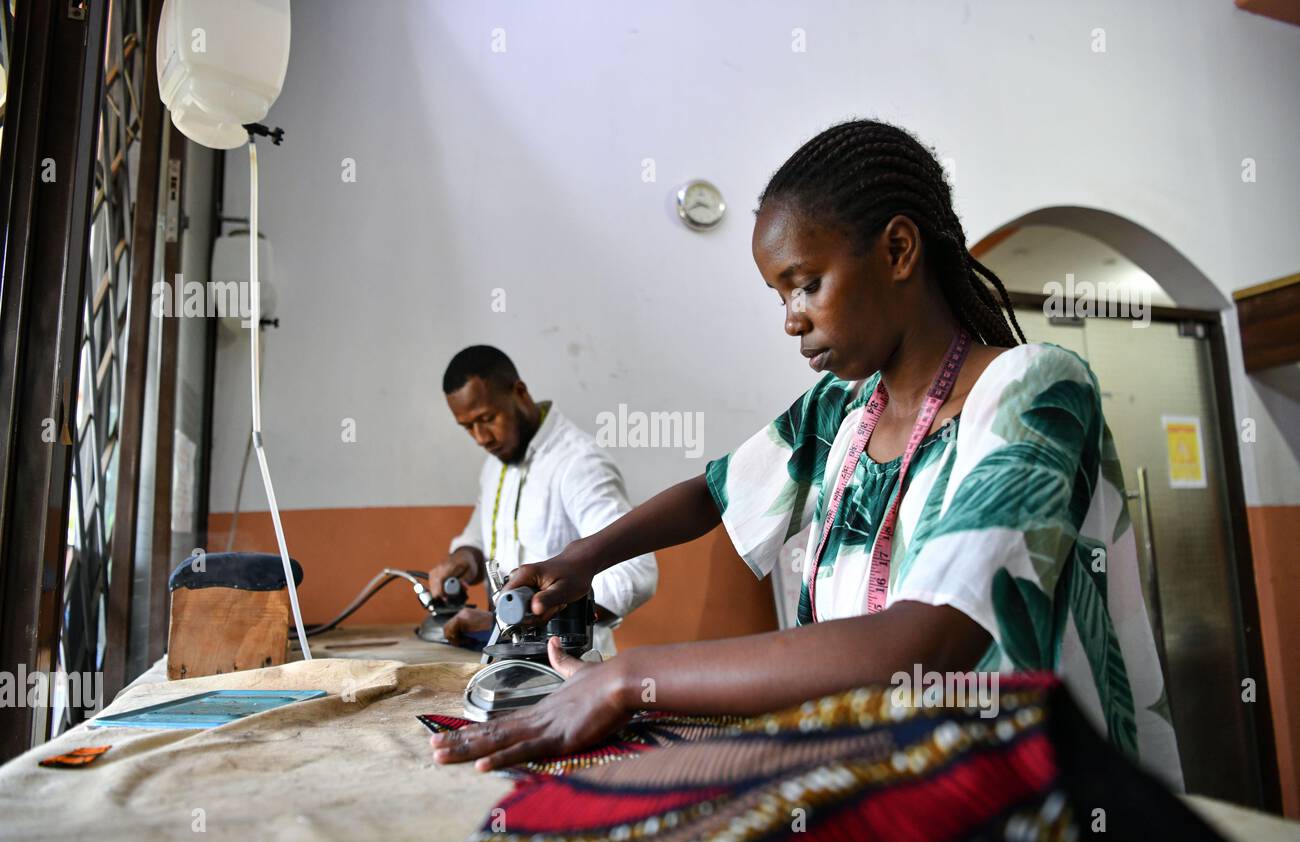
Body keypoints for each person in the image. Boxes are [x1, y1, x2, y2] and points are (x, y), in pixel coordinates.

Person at [430, 120, 1183, 791]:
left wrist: (630, 679)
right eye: (778, 296)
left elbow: (925, 642)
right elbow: (713, 493)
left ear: (897, 250)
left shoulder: (1033, 392)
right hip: (883, 784)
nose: (791, 320)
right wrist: (585, 558)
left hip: (1039, 800)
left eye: (806, 284)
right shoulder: (842, 414)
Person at [428, 346, 657, 657]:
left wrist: (529, 616)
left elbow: (636, 572)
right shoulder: (496, 463)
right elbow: (479, 539)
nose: (481, 437)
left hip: (572, 666)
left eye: (487, 418)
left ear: (519, 393)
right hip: (506, 659)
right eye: (468, 427)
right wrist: (464, 560)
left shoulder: (578, 463)